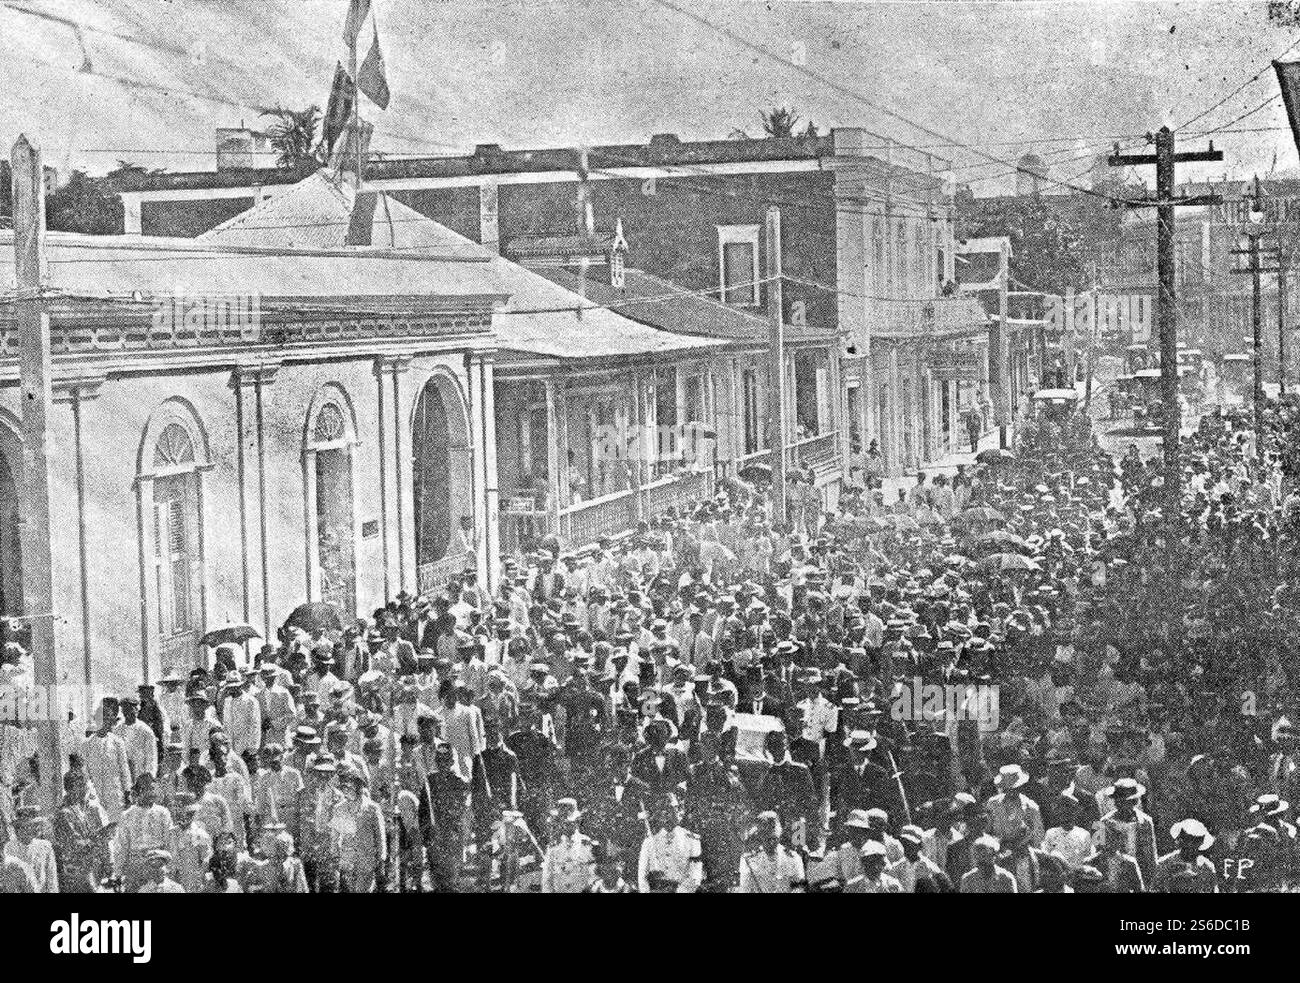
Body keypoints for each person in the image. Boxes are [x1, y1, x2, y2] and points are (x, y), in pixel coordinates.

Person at [637, 794, 703, 893]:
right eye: (662, 810)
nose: (665, 814)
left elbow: (695, 875)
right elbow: (642, 875)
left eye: (670, 809)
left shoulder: (692, 840)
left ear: (679, 811)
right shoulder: (649, 841)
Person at [737, 811, 804, 893]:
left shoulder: (793, 858)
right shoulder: (749, 860)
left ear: (780, 834)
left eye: (774, 838)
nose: (771, 842)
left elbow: (799, 889)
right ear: (760, 836)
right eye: (768, 839)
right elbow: (745, 890)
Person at [541, 797, 596, 894]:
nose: (567, 826)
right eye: (564, 822)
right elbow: (547, 879)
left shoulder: (587, 844)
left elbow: (593, 877)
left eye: (571, 822)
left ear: (578, 822)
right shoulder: (554, 846)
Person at [4, 806, 58, 893]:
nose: (32, 830)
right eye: (25, 827)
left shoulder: (45, 846)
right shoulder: (9, 848)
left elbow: (51, 880)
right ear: (18, 829)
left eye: (34, 826)